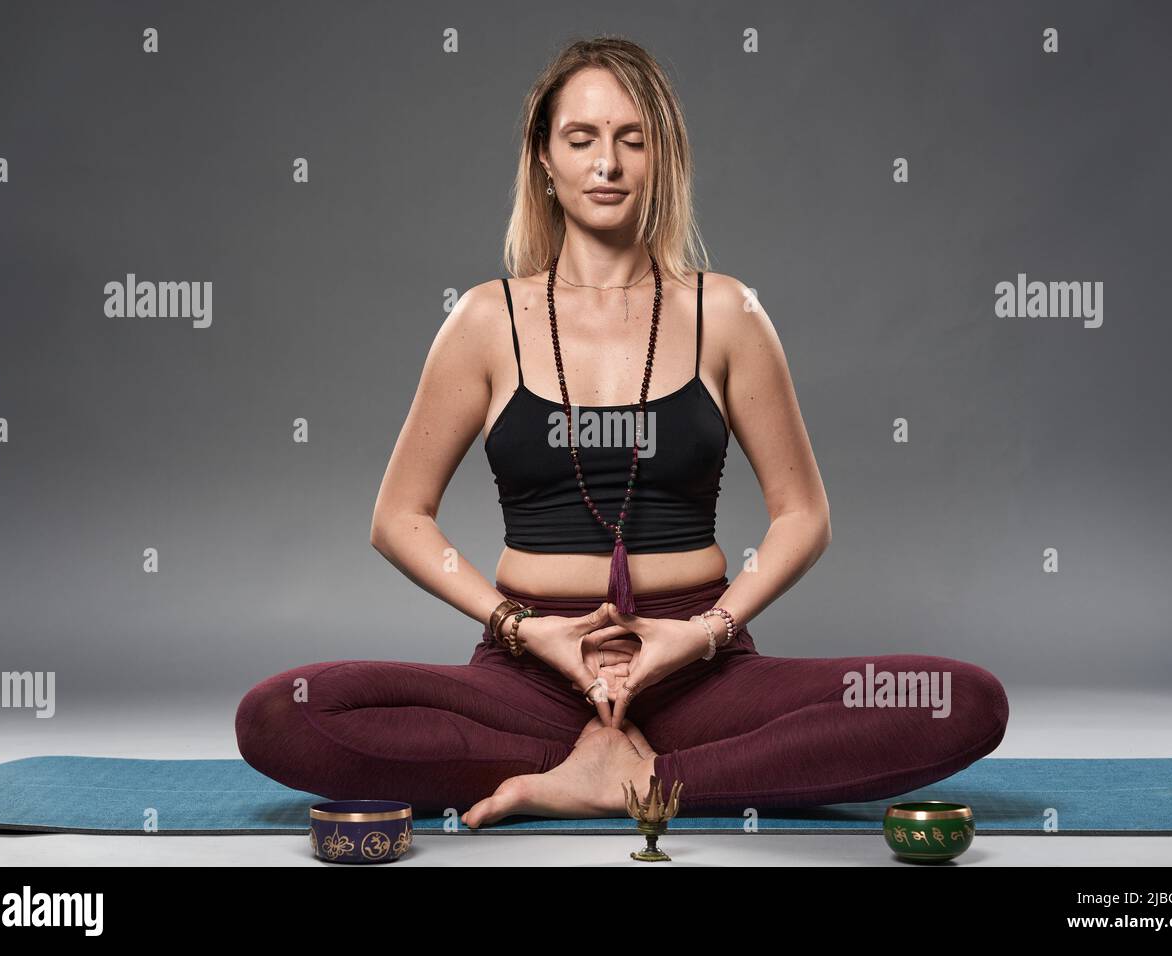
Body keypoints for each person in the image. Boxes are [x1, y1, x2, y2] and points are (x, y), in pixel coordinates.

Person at [234, 36, 1009, 828]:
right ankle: (606, 765)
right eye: (581, 139)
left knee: (962, 700)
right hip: (530, 676)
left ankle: (631, 778)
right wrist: (524, 632)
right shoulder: (483, 320)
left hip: (698, 671)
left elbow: (804, 516)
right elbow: (397, 519)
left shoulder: (728, 314)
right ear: (544, 158)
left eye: (631, 139)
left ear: (661, 158)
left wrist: (704, 635)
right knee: (281, 713)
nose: (606, 163)